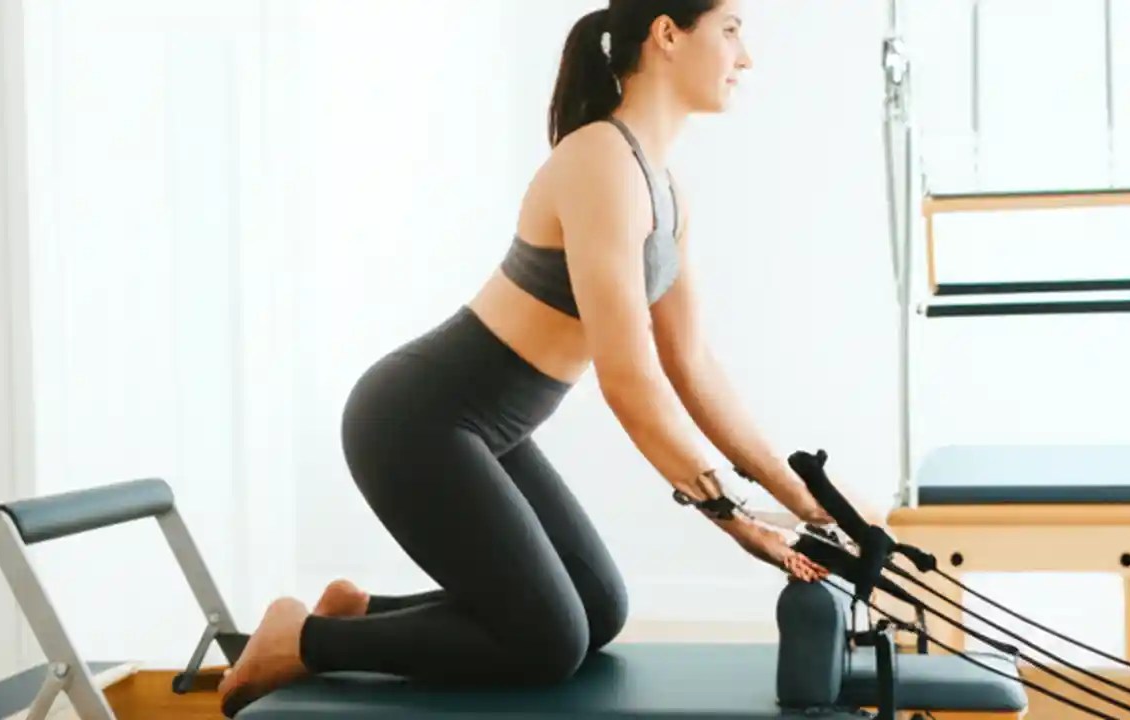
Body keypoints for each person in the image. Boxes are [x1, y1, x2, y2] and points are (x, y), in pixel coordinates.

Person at [219, 1, 850, 714]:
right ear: (668, 34)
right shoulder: (598, 162)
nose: (747, 56)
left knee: (597, 610)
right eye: (732, 30)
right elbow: (631, 381)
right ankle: (301, 640)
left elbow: (691, 363)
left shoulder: (664, 189)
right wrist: (735, 518)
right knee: (548, 638)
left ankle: (357, 611)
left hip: (489, 430)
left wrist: (803, 498)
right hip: (416, 421)